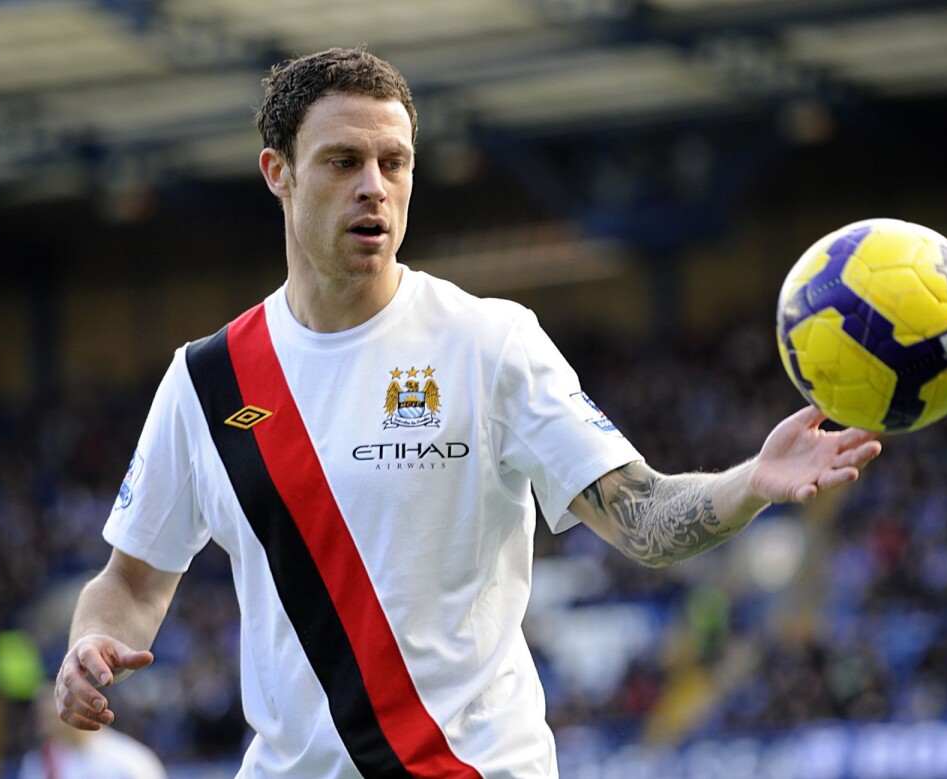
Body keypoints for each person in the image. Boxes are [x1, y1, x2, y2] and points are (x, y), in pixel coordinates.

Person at [54, 45, 882, 777]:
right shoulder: (208, 381)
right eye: (343, 161)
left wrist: (752, 481)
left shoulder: (489, 343)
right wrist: (90, 641)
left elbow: (644, 517)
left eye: (395, 162)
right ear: (279, 172)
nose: (374, 187)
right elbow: (131, 579)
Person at [21, 682, 167, 779]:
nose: (43, 726)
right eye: (41, 717)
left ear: (80, 710)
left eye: (51, 717)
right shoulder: (38, 761)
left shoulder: (127, 759)